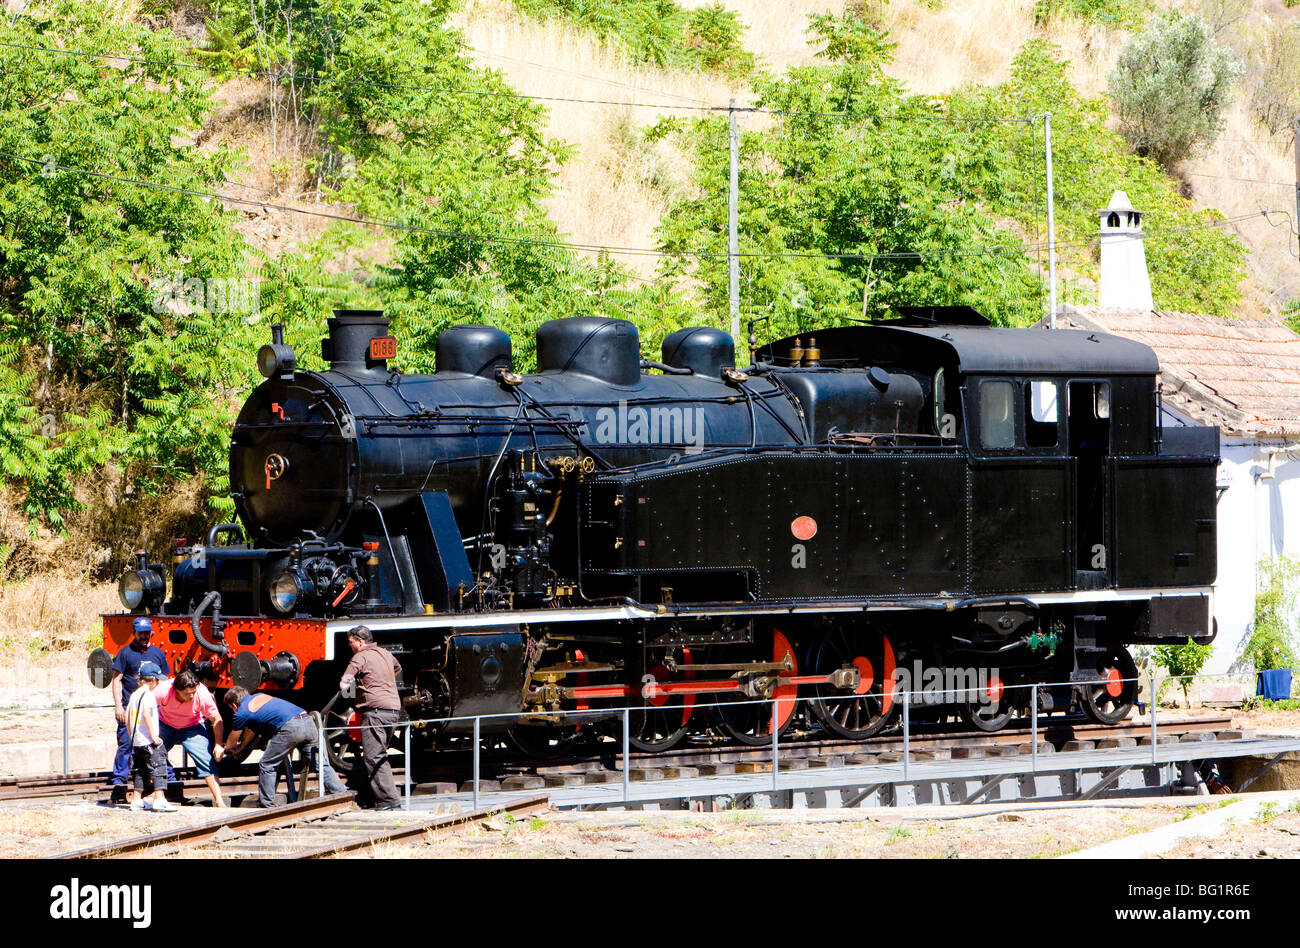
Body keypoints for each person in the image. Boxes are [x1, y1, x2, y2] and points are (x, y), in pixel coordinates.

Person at [221, 686, 345, 807]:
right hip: (307, 722)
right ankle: (342, 795)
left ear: (233, 705)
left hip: (290, 728)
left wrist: (225, 751)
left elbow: (234, 736)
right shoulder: (259, 697)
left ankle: (267, 804)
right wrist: (241, 747)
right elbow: (250, 729)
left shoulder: (241, 712)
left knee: (267, 764)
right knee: (320, 764)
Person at [339, 625, 402, 810]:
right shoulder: (385, 653)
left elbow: (345, 681)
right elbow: (398, 667)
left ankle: (389, 802)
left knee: (374, 756)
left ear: (360, 641)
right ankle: (382, 798)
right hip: (393, 711)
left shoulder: (360, 657)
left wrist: (350, 684)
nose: (350, 646)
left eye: (351, 642)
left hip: (375, 712)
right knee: (380, 755)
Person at [110, 617, 172, 802]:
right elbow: (116, 680)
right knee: (126, 745)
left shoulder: (158, 653)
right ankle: (119, 782)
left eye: (147, 632)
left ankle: (165, 781)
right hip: (131, 708)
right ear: (134, 633)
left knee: (156, 746)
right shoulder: (125, 653)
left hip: (153, 709)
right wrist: (118, 705)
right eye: (141, 633)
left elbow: (165, 680)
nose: (144, 636)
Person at [155, 669, 227, 807]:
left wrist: (218, 744)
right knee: (153, 755)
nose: (191, 696)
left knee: (206, 760)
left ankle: (219, 800)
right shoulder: (163, 690)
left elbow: (216, 719)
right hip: (165, 724)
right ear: (176, 690)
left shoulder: (202, 693)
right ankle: (157, 795)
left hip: (191, 726)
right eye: (187, 694)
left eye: (193, 692)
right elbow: (146, 707)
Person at [123, 661, 176, 812]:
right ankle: (159, 799)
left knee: (141, 770)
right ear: (153, 680)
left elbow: (127, 716)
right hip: (148, 739)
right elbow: (146, 713)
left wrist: (131, 734)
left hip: (137, 740)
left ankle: (136, 800)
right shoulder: (149, 695)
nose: (158, 683)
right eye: (158, 680)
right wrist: (154, 736)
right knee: (159, 766)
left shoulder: (134, 695)